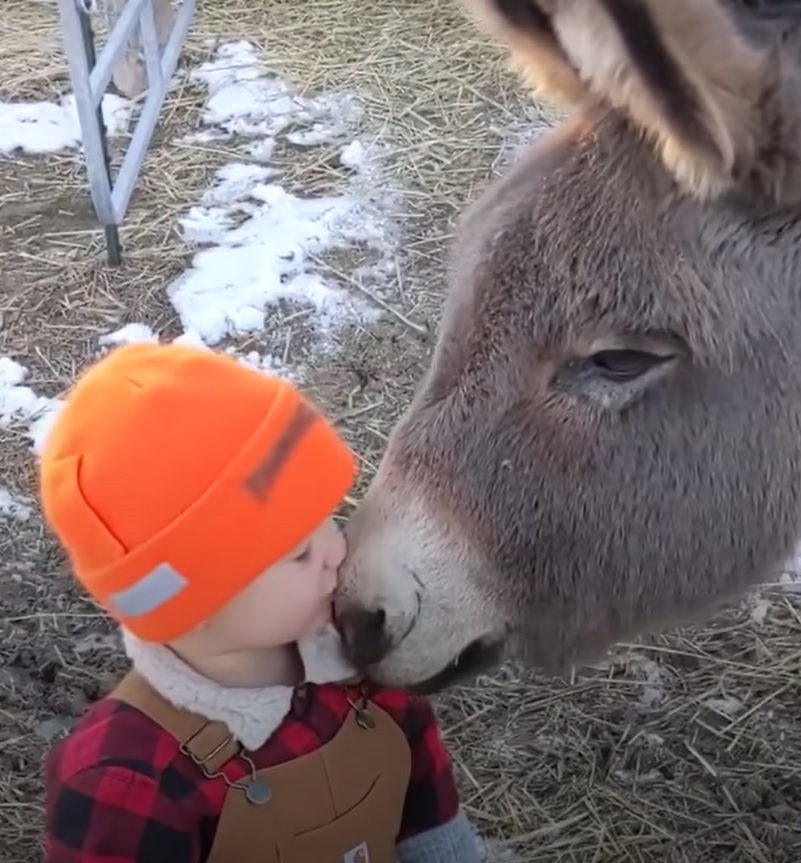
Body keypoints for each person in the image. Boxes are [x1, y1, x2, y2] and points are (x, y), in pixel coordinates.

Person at [38, 342, 480, 863]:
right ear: (195, 603)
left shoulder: (362, 665)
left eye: (329, 520)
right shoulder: (124, 781)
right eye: (298, 553)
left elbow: (429, 820)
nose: (336, 550)